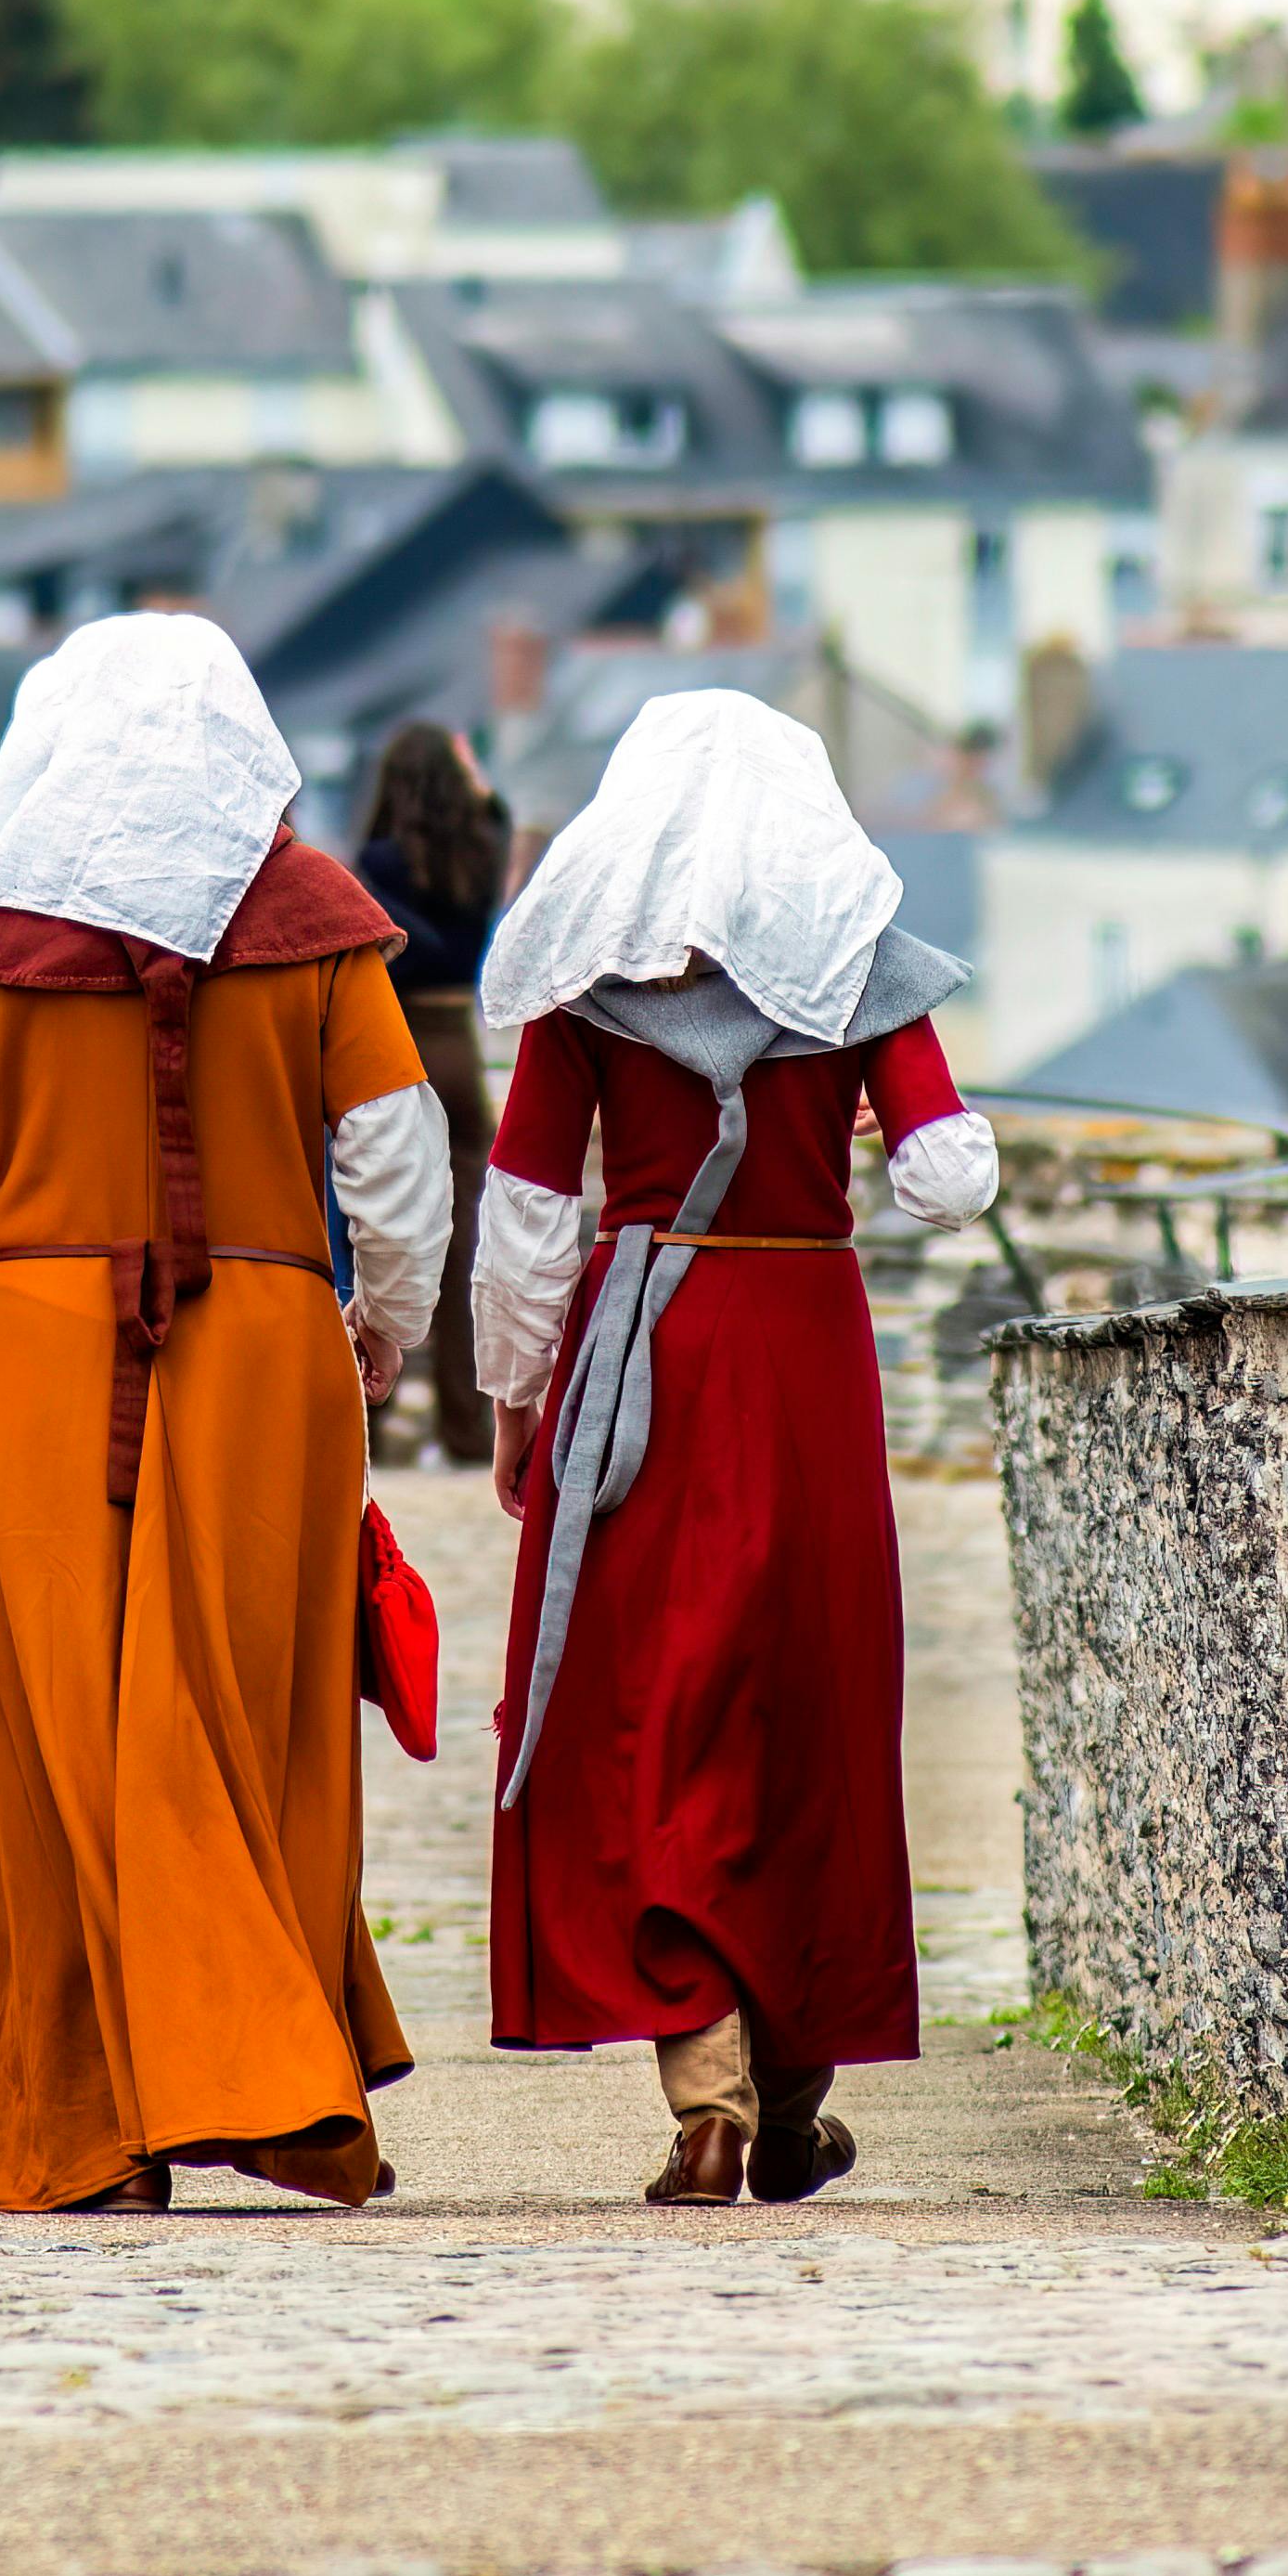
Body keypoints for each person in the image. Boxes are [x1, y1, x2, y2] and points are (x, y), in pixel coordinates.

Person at [0, 613, 455, 2213]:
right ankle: (252, 2067)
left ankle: (86, 2119)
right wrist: (380, 1323)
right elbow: (396, 1158)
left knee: (50, 1742)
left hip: (34, 1359)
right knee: (239, 1730)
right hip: (262, 1362)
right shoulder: (315, 924)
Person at [464, 691, 1000, 2207]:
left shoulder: (591, 983)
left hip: (641, 1352)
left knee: (658, 1715)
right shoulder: (866, 975)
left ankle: (707, 2096)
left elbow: (526, 1217)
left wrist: (517, 1393)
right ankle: (788, 2095)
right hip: (803, 1343)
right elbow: (950, 1175)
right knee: (801, 1708)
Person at [349, 720, 513, 1469]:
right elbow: (496, 817)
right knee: (465, 1245)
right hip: (459, 1042)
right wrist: (476, 786)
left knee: (373, 1224)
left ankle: (368, 1422)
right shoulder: (479, 852)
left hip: (392, 1044)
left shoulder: (374, 862)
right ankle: (464, 1426)